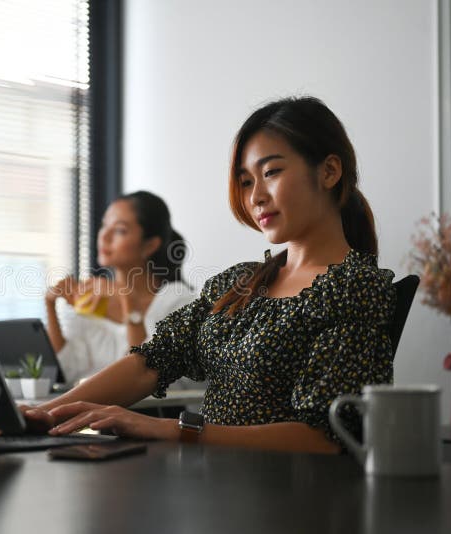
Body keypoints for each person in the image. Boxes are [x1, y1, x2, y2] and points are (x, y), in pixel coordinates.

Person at [26, 96, 396, 454]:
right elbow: (152, 361)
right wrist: (45, 413)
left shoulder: (355, 288)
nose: (256, 196)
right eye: (246, 181)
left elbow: (327, 437)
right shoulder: (241, 282)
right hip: (210, 478)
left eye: (271, 172)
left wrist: (173, 430)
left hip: (283, 490)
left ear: (329, 171)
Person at [45, 191, 197, 384]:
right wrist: (50, 306)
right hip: (91, 402)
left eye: (119, 230)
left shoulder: (179, 302)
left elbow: (142, 374)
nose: (104, 236)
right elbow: (68, 371)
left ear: (150, 245)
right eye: (104, 225)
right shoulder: (93, 299)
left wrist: (127, 298)